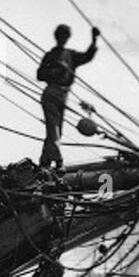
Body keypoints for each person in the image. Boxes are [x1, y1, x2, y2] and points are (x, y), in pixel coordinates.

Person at [37, 23, 101, 170]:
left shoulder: (70, 55)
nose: (63, 39)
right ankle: (58, 162)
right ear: (57, 37)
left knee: (56, 131)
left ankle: (45, 162)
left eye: (65, 36)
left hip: (63, 95)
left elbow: (87, 56)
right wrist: (55, 72)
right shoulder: (50, 56)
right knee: (54, 130)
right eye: (61, 36)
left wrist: (94, 41)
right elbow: (40, 75)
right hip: (51, 94)